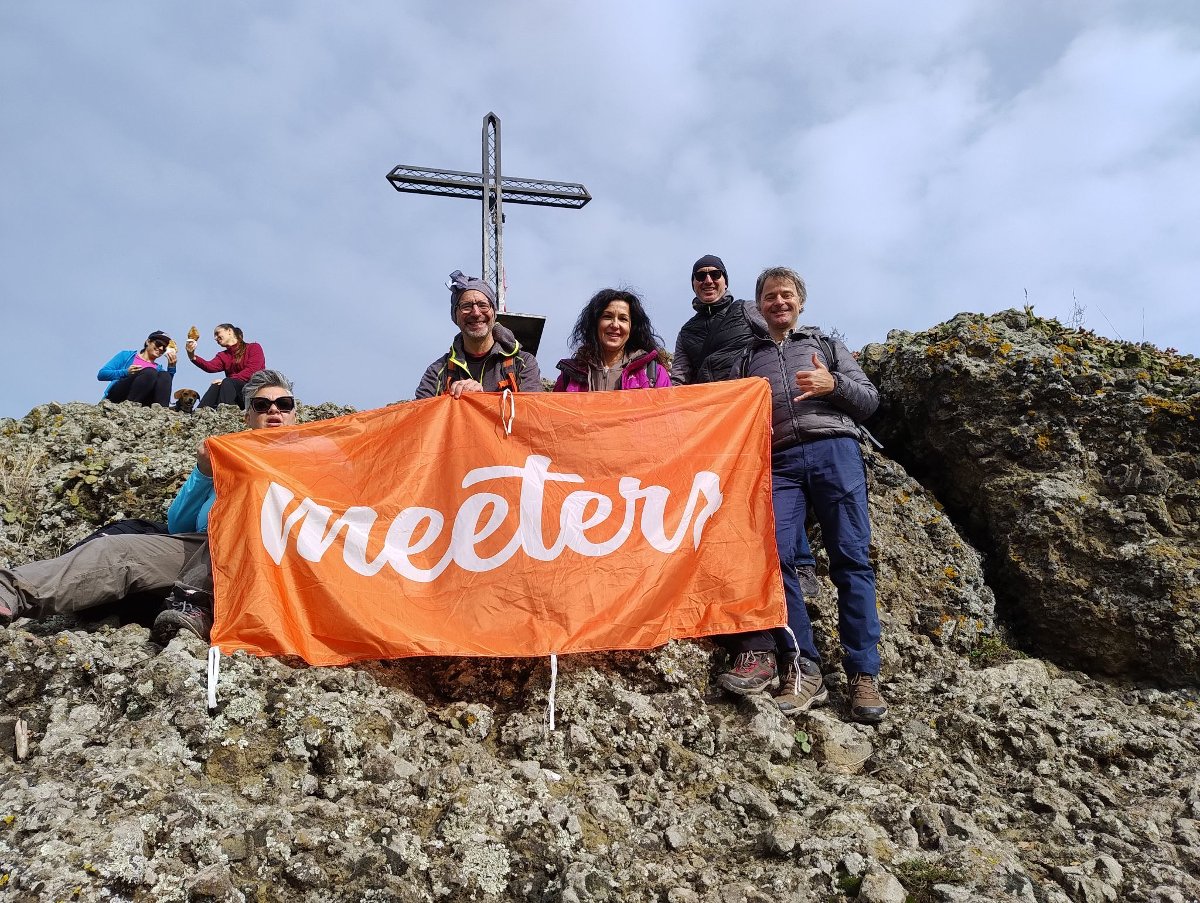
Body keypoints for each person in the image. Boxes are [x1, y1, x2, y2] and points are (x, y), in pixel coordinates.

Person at [0, 370, 300, 645]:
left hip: (283, 559)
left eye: (283, 404)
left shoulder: (315, 459)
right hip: (205, 552)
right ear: (248, 416)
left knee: (251, 509)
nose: (273, 410)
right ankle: (11, 591)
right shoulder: (228, 456)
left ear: (294, 415)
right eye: (262, 405)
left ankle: (197, 603)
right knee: (115, 551)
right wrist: (205, 472)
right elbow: (179, 525)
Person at [716, 266, 888, 724]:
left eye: (786, 295)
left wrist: (834, 385)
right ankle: (803, 665)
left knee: (851, 560)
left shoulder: (826, 346)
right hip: (780, 461)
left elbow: (870, 400)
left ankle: (863, 674)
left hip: (836, 450)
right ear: (758, 306)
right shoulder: (745, 358)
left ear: (800, 302)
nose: (778, 303)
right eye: (769, 297)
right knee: (778, 560)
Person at [414, 270, 542, 399]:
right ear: (455, 316)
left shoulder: (523, 363)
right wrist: (456, 400)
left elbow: (531, 413)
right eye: (466, 306)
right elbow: (421, 416)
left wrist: (481, 400)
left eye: (483, 305)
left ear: (493, 313)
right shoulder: (437, 372)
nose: (476, 313)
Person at [553, 288, 671, 392]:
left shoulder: (653, 374)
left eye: (623, 319)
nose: (615, 325)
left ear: (632, 327)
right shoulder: (570, 375)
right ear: (595, 323)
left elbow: (668, 415)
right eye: (607, 317)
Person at [186, 323, 267, 409]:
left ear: (229, 331)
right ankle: (199, 413)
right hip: (233, 392)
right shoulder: (223, 355)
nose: (215, 338)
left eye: (217, 333)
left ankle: (226, 413)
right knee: (216, 385)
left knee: (227, 382)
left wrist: (228, 380)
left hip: (253, 392)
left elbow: (252, 370)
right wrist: (192, 355)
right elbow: (210, 366)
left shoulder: (253, 347)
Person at [97, 330, 177, 407]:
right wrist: (125, 372)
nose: (161, 348)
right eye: (158, 343)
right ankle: (130, 406)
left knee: (165, 375)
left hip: (144, 401)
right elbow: (102, 374)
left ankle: (162, 412)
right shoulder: (126, 356)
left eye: (164, 348)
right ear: (148, 342)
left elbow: (164, 388)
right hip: (119, 395)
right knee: (150, 372)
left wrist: (171, 367)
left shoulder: (159, 369)